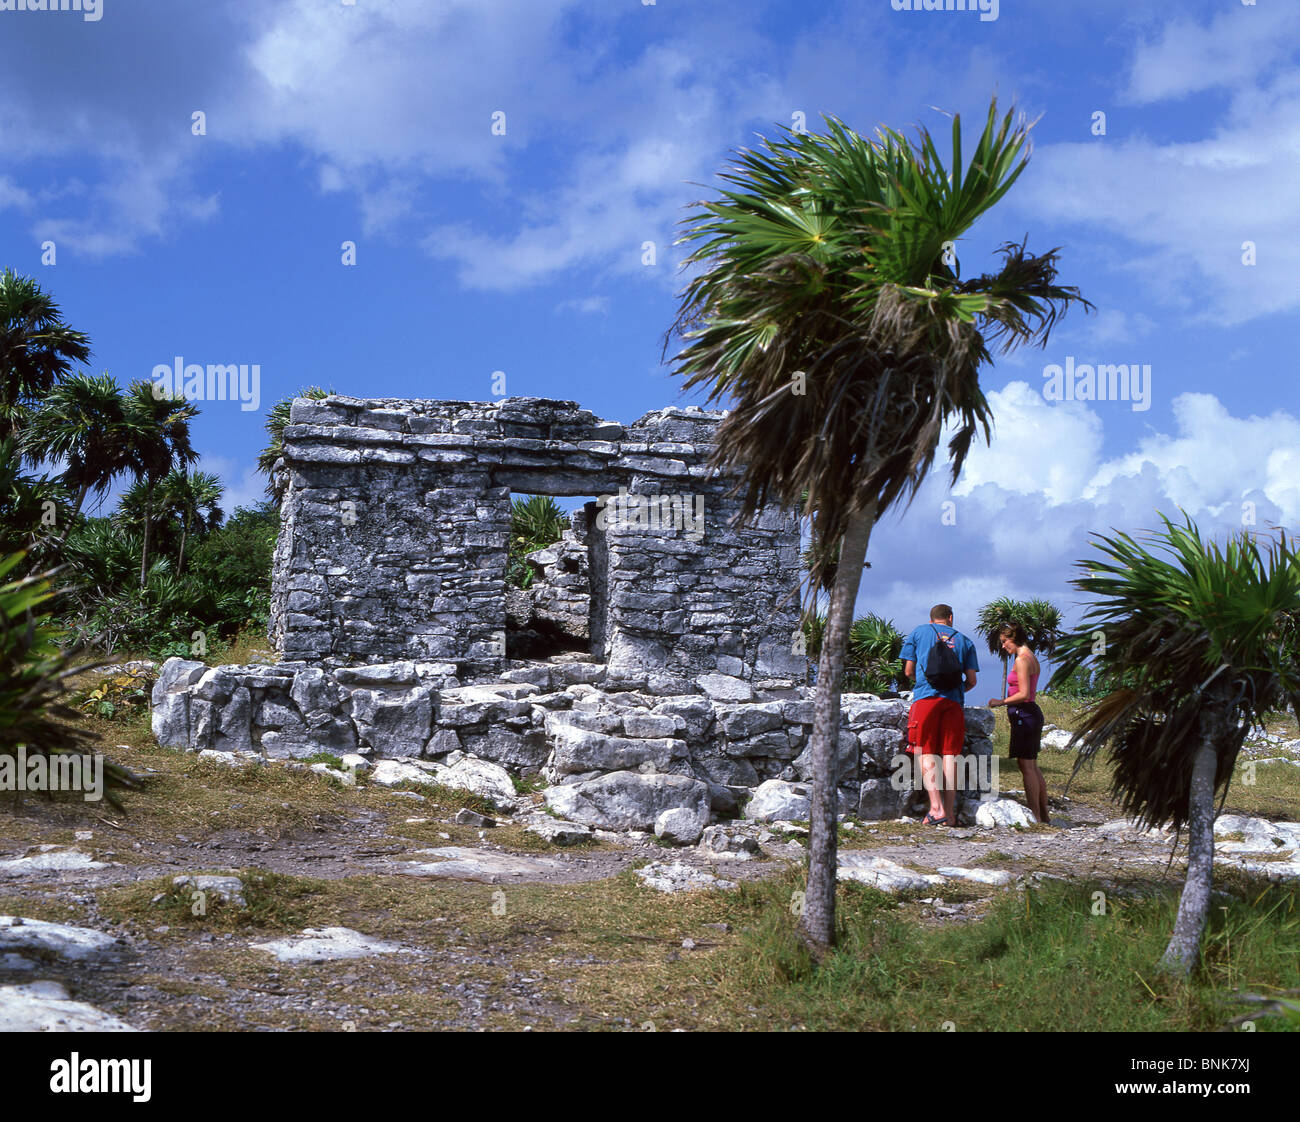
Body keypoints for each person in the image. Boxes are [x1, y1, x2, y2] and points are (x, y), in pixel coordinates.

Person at [900, 604, 980, 826]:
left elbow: (908, 671)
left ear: (931, 619)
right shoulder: (965, 641)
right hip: (953, 702)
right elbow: (972, 681)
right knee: (950, 756)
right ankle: (950, 814)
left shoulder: (919, 632)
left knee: (924, 751)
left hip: (926, 700)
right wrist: (953, 691)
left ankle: (935, 809)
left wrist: (928, 685)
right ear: (951, 618)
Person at [988, 622, 1049, 823]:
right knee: (1031, 764)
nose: (1004, 646)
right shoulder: (1029, 657)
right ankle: (1043, 814)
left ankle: (1036, 814)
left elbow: (1023, 694)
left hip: (1025, 714)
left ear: (1014, 638)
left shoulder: (1023, 659)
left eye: (1005, 642)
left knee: (1027, 766)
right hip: (1027, 715)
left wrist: (1001, 702)